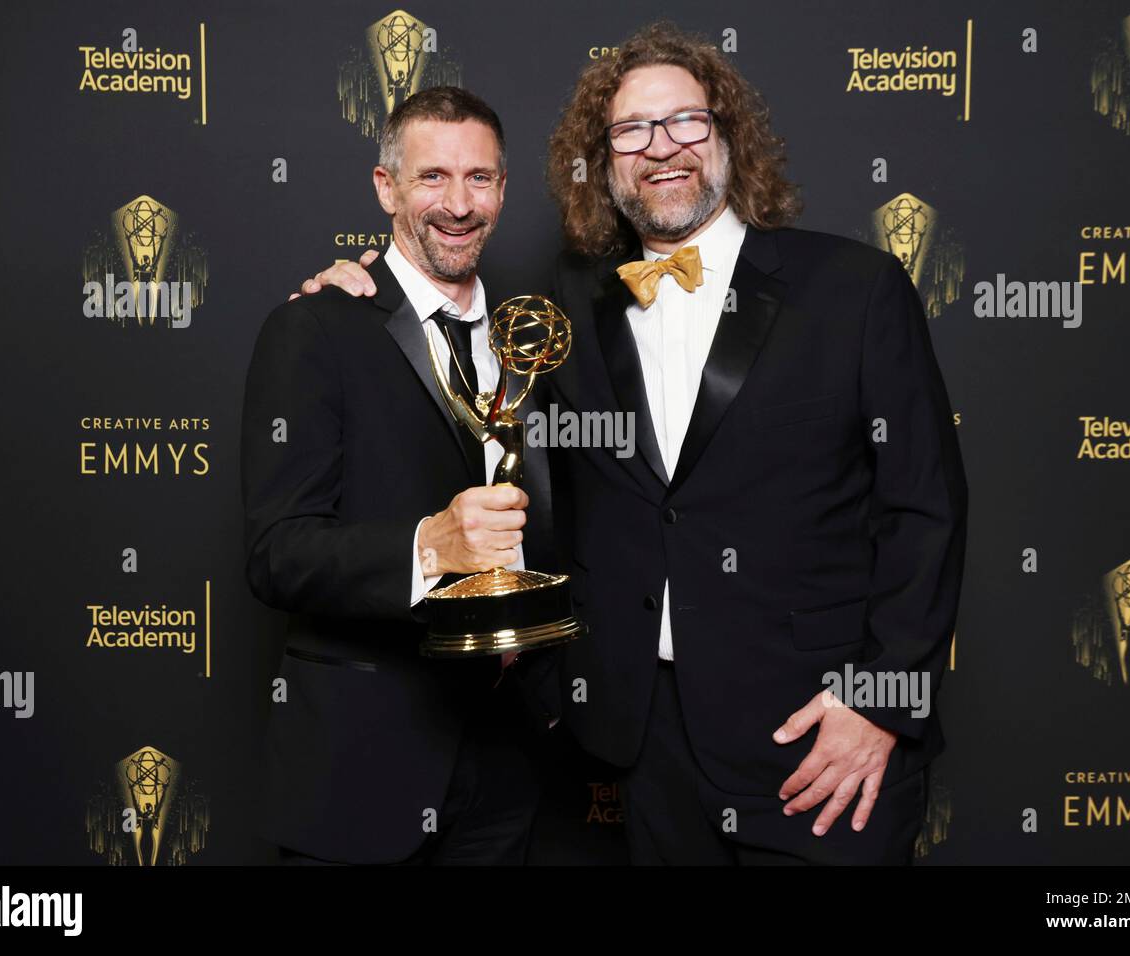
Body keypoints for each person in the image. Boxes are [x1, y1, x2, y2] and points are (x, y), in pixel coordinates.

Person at [295, 21, 967, 865]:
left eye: (686, 121)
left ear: (726, 135)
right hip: (646, 751)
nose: (662, 149)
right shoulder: (573, 305)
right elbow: (460, 362)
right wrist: (353, 293)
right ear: (603, 160)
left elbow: (923, 509)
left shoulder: (854, 289)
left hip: (820, 745)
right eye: (631, 131)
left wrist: (878, 706)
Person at [242, 86, 558, 865]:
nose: (458, 204)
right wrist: (430, 545)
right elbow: (278, 551)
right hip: (362, 769)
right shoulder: (314, 328)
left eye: (479, 178)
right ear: (385, 188)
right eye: (432, 178)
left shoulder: (532, 344)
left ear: (504, 189)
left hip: (505, 762)